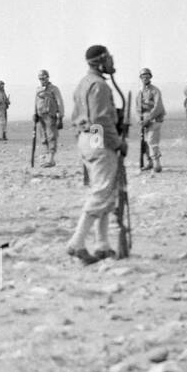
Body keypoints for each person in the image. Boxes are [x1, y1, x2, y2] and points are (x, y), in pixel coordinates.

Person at [66, 45, 124, 265]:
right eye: (108, 58)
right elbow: (100, 120)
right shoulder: (99, 86)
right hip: (97, 137)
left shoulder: (84, 83)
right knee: (101, 191)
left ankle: (102, 244)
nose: (111, 62)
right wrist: (117, 143)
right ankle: (77, 242)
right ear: (100, 62)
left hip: (86, 138)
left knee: (106, 191)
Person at [136, 68, 165, 173]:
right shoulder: (140, 92)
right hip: (144, 122)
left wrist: (148, 118)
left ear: (150, 77)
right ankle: (150, 162)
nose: (145, 78)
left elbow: (158, 107)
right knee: (146, 142)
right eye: (143, 77)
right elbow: (138, 108)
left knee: (152, 141)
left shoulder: (155, 91)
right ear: (140, 78)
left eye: (147, 76)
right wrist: (140, 119)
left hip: (154, 120)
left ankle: (157, 164)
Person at [33, 70, 64, 167]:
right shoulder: (38, 89)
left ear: (48, 77)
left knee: (51, 137)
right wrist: (35, 114)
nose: (42, 80)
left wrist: (61, 117)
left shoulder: (54, 89)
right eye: (40, 79)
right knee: (43, 138)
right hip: (40, 116)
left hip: (50, 116)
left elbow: (60, 102)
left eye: (44, 78)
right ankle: (47, 158)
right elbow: (36, 102)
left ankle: (51, 158)